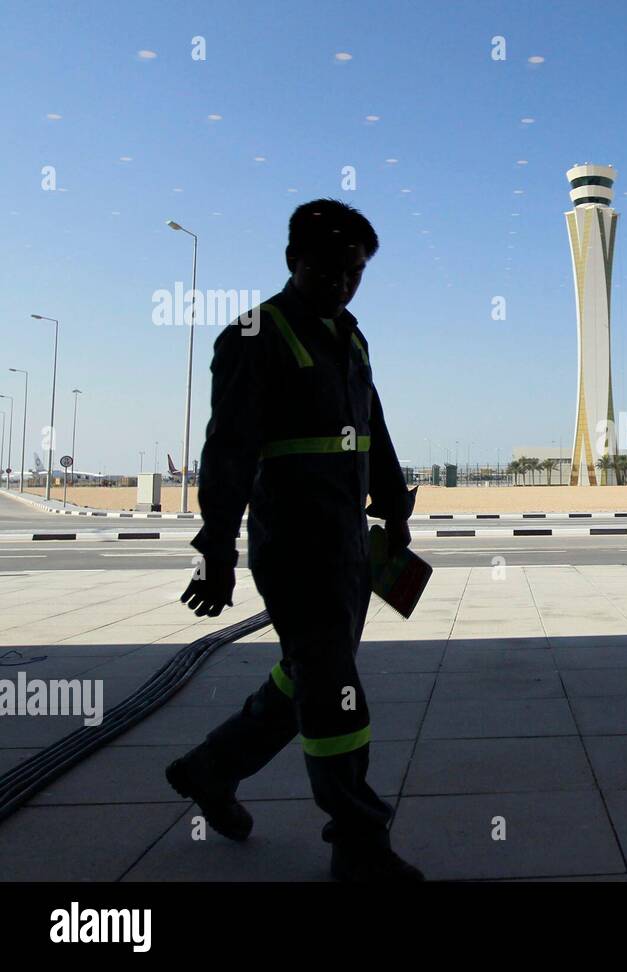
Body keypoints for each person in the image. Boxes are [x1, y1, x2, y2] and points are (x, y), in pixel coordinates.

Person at [169, 199, 422, 882]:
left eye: (356, 271)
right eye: (330, 268)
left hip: (346, 544)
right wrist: (216, 551)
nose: (343, 282)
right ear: (292, 261)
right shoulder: (257, 334)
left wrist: (395, 511)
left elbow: (374, 426)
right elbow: (227, 454)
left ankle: (209, 770)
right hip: (293, 546)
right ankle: (359, 842)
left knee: (308, 676)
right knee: (336, 689)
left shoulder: (352, 337)